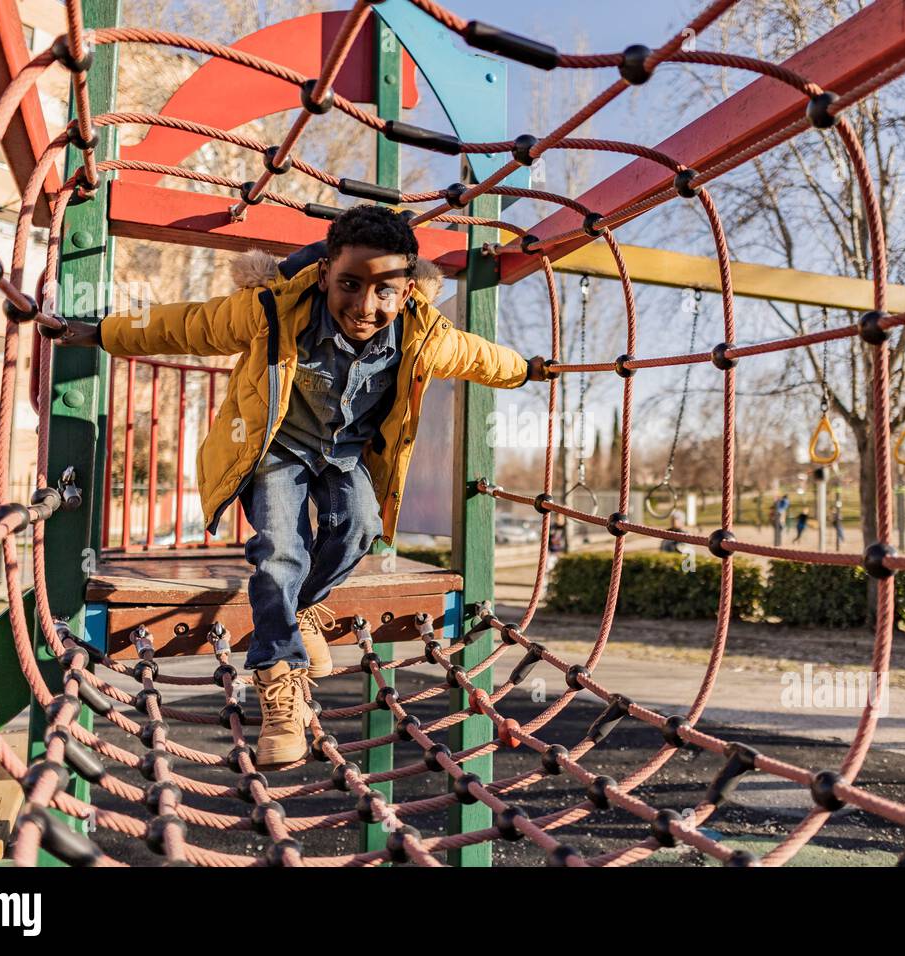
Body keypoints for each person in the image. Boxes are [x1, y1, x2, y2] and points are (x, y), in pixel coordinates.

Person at [52, 204, 556, 769]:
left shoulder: (421, 333)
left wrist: (527, 370)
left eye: (386, 292)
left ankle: (307, 608)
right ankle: (279, 687)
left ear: (409, 290)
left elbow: (475, 355)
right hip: (275, 451)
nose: (366, 307)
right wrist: (99, 333)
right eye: (350, 285)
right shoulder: (271, 311)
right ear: (323, 276)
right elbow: (189, 323)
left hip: (343, 458)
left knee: (360, 527)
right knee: (281, 554)